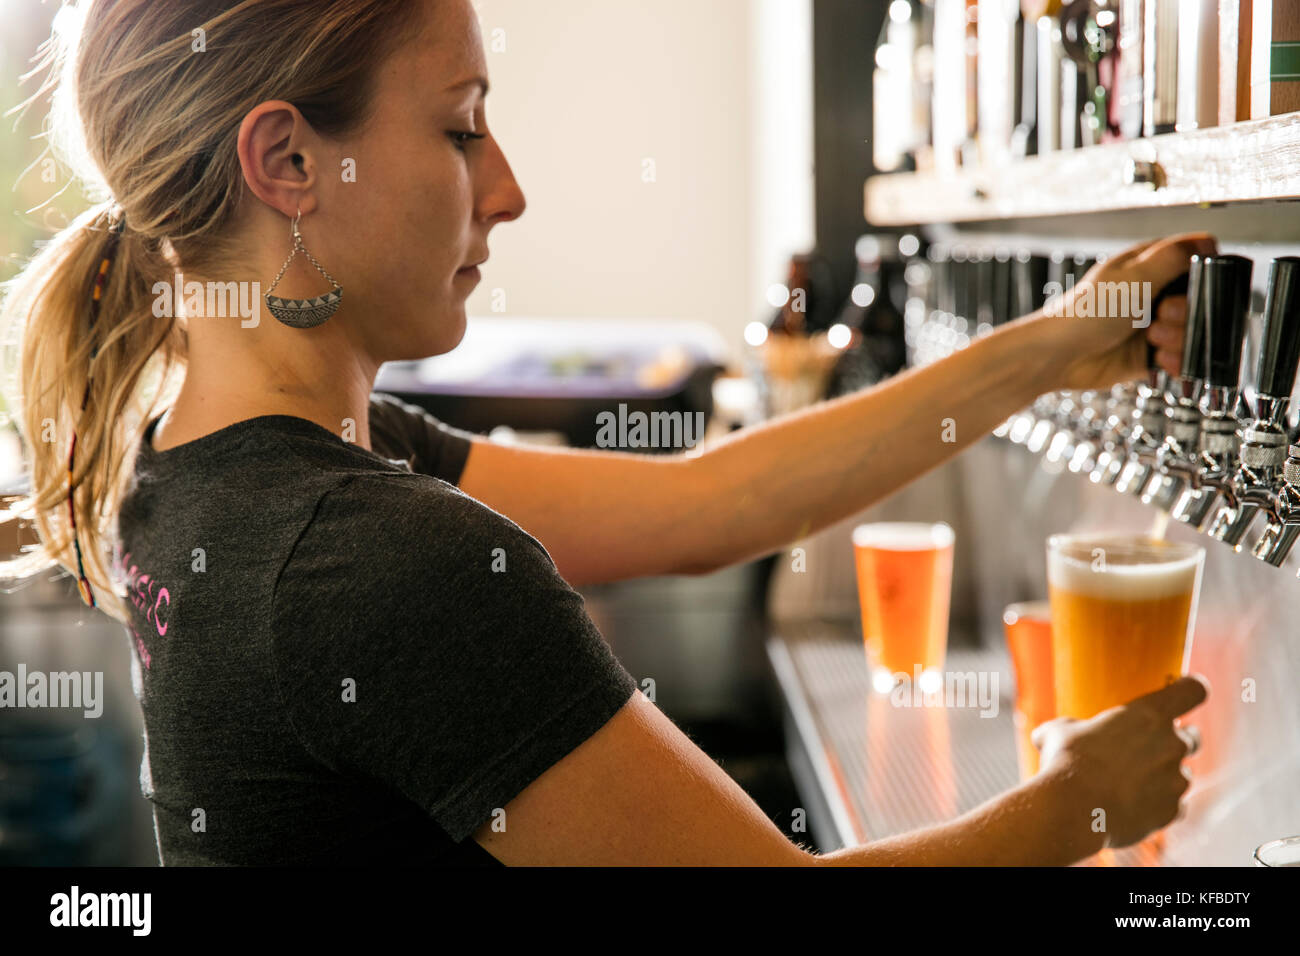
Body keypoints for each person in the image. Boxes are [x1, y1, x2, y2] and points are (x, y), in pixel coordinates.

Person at [0, 0, 1211, 866]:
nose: (507, 187)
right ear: (289, 161)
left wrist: (1049, 347)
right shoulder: (371, 559)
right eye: (461, 127)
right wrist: (1073, 806)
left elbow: (704, 509)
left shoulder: (206, 465)